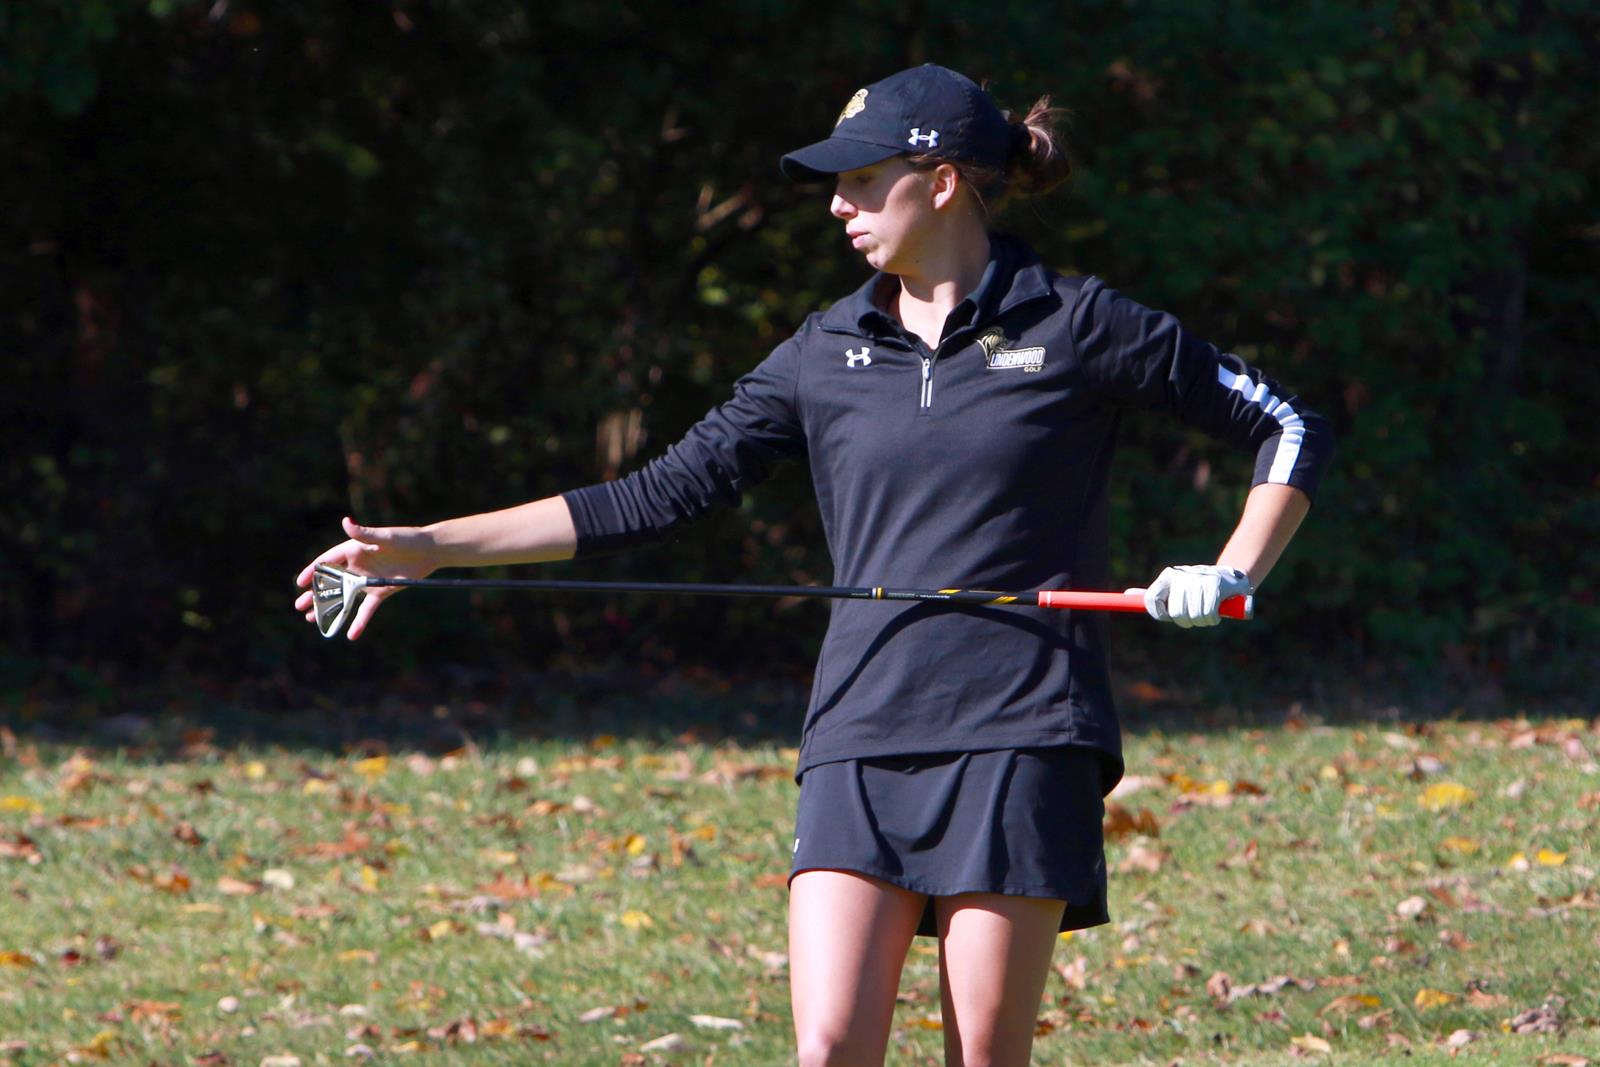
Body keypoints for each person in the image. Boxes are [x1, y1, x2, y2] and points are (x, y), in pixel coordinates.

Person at [295, 64, 1333, 1067]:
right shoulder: (822, 349)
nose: (837, 205)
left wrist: (1235, 570)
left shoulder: (1076, 322)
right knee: (827, 1045)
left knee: (980, 1053)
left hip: (1022, 728)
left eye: (858, 179)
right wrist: (428, 549)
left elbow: (1285, 423)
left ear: (939, 182)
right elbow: (655, 492)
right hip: (858, 729)